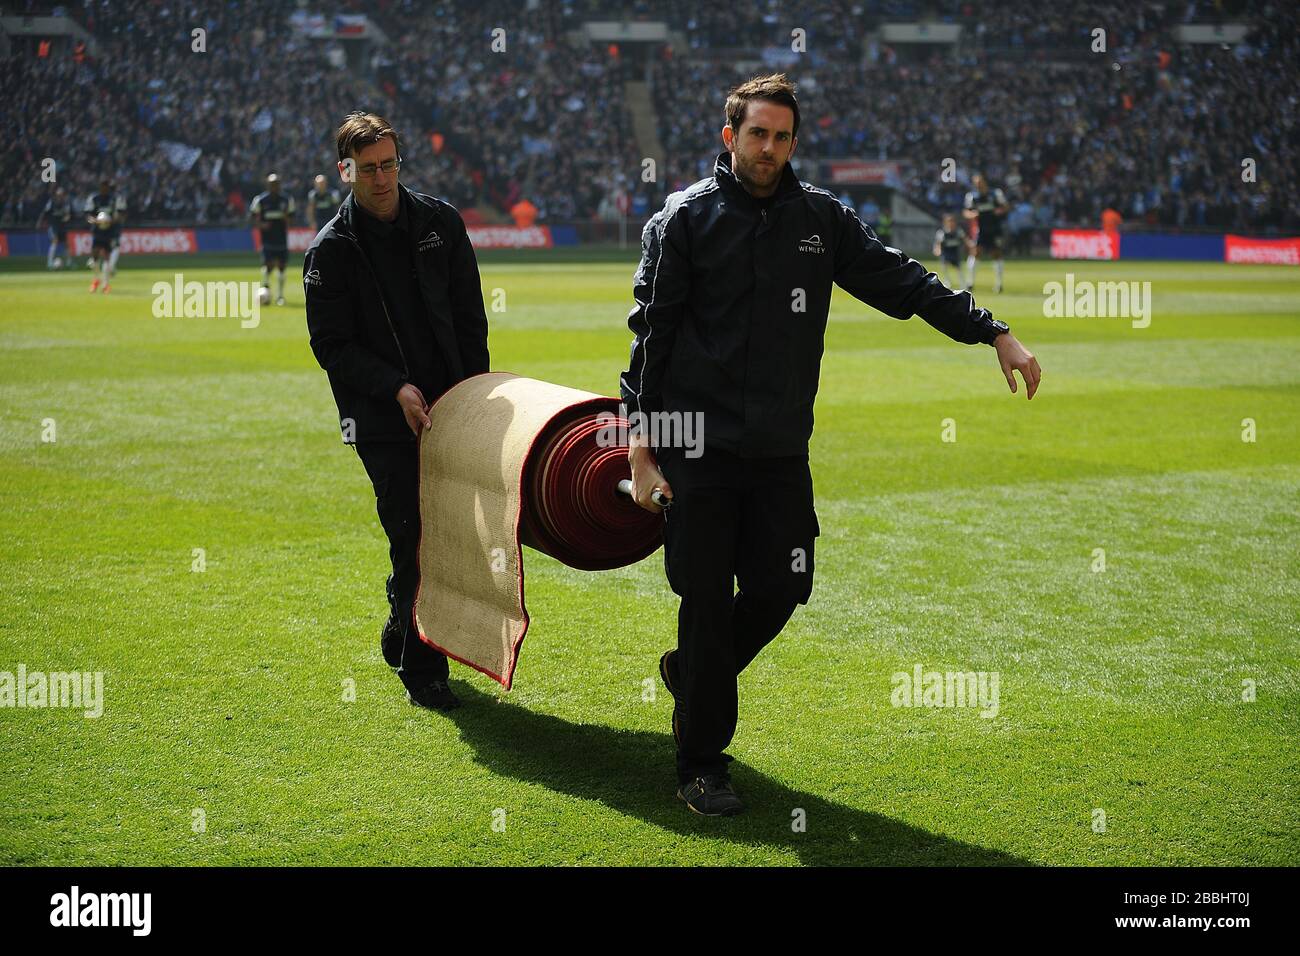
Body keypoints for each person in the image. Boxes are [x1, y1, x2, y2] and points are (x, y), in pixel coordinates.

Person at [619, 74, 1041, 817]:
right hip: (699, 446)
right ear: (730, 137)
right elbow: (650, 339)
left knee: (785, 585)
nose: (770, 149)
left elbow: (903, 283)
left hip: (779, 449)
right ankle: (702, 763)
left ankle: (693, 673)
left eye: (783, 137)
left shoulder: (821, 221)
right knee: (709, 598)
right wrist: (640, 448)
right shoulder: (684, 220)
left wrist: (992, 331)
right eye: (758, 134)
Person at [304, 111, 489, 711]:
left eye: (388, 165)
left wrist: (475, 390)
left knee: (447, 531)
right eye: (367, 169)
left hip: (451, 407)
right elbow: (330, 345)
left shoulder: (440, 222)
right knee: (413, 532)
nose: (381, 179)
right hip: (380, 419)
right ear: (344, 171)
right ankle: (424, 669)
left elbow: (469, 314)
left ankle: (400, 616)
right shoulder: (330, 251)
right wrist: (393, 387)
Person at [249, 173, 295, 305]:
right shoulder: (260, 200)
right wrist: (261, 225)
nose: (274, 187)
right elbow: (252, 218)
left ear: (279, 185)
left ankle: (280, 296)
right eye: (272, 184)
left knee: (281, 268)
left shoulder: (286, 200)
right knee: (267, 266)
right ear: (267, 185)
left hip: (281, 239)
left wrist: (286, 217)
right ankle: (266, 288)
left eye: (276, 184)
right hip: (267, 239)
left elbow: (291, 220)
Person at [963, 173, 1009, 292]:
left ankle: (999, 284)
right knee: (976, 253)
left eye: (980, 182)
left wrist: (999, 211)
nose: (978, 185)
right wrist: (973, 214)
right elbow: (966, 212)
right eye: (976, 183)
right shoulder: (972, 196)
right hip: (980, 229)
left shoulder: (996, 194)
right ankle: (970, 283)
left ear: (985, 182)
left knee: (996, 254)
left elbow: (1006, 207)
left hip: (995, 228)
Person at [84, 178, 126, 293]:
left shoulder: (114, 199)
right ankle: (96, 280)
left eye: (106, 186)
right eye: (102, 186)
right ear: (100, 187)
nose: (104, 188)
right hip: (97, 231)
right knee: (94, 258)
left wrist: (111, 221)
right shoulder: (94, 198)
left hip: (110, 231)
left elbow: (121, 214)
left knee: (107, 257)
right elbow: (88, 215)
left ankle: (105, 284)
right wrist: (96, 221)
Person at [932, 212, 970, 290]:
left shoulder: (958, 231)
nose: (951, 223)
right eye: (949, 222)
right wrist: (937, 250)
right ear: (945, 223)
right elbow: (938, 243)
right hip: (946, 253)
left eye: (952, 221)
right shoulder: (942, 232)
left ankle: (963, 284)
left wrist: (970, 245)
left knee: (959, 268)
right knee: (944, 266)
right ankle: (947, 282)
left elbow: (965, 239)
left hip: (955, 252)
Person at [40, 187, 74, 270]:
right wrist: (41, 222)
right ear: (56, 195)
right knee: (55, 241)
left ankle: (69, 262)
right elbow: (45, 212)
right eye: (59, 194)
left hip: (62, 226)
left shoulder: (65, 203)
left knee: (66, 244)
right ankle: (50, 263)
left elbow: (68, 214)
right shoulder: (51, 202)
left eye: (62, 195)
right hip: (53, 225)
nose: (60, 196)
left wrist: (67, 217)